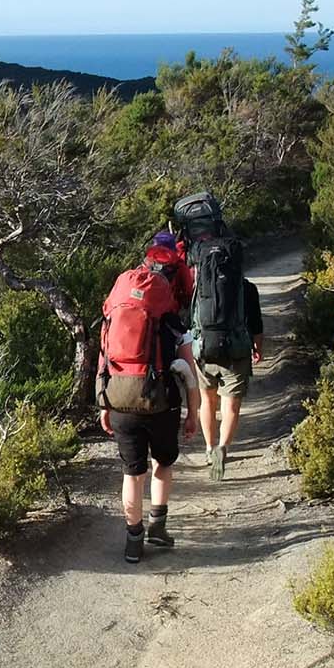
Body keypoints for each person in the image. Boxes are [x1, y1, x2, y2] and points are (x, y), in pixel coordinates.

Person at [97, 237, 202, 564]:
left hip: (119, 400)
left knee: (132, 474)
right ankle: (158, 526)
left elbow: (103, 359)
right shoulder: (171, 320)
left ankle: (133, 541)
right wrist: (193, 412)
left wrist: (104, 404)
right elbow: (188, 370)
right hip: (160, 402)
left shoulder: (115, 312)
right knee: (163, 464)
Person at [196, 276, 263, 480]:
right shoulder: (247, 288)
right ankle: (222, 448)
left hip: (205, 350)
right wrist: (258, 347)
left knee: (207, 401)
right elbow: (256, 323)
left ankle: (209, 448)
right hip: (237, 352)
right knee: (231, 405)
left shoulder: (201, 285)